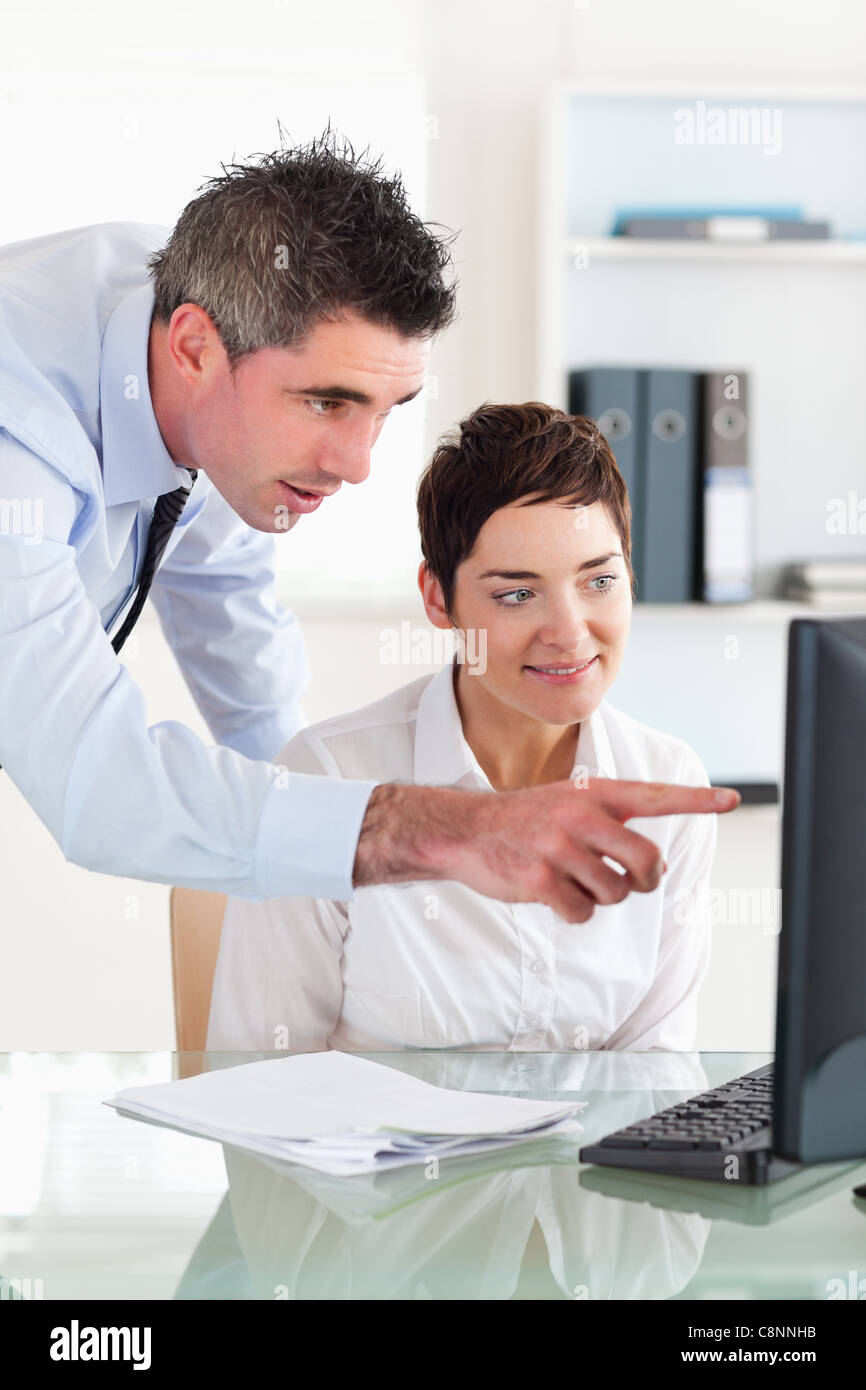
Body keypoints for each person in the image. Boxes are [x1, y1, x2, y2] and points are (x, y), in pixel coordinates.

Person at [0, 131, 735, 927]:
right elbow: (96, 786)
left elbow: (225, 595)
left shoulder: (196, 316)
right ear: (193, 348)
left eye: (386, 410)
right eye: (326, 402)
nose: (357, 465)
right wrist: (444, 831)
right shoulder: (24, 432)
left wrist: (316, 831)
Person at [207, 404, 723, 1052]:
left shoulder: (667, 787)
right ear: (438, 598)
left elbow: (657, 1083)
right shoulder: (327, 778)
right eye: (517, 594)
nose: (569, 632)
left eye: (599, 580)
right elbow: (258, 1089)